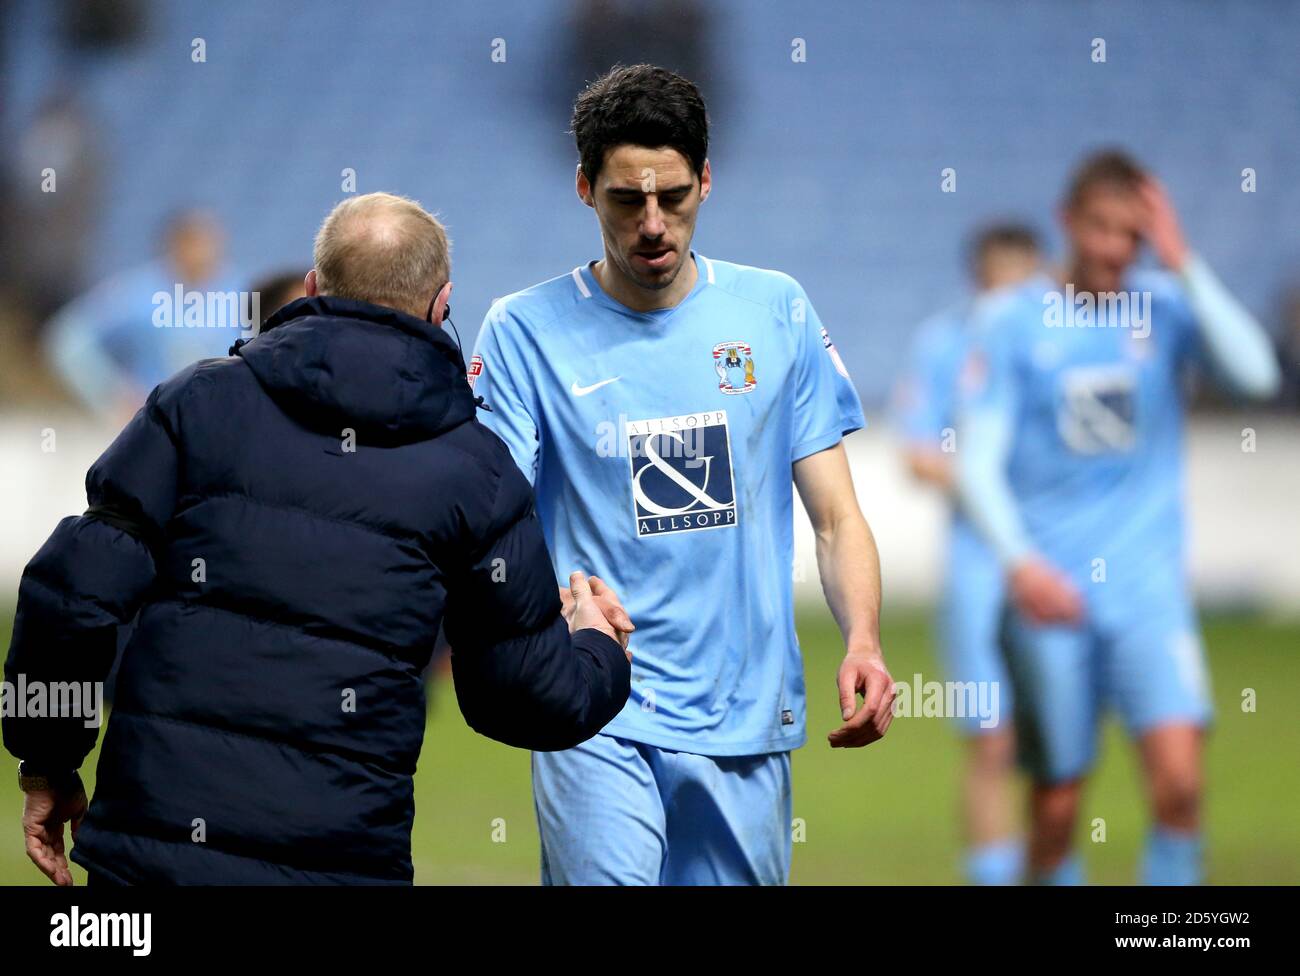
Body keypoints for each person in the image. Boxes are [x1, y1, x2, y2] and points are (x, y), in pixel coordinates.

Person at [4, 192, 632, 886]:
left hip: (151, 860)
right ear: (442, 305)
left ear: (310, 286)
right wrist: (596, 645)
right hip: (339, 866)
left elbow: (72, 595)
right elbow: (524, 696)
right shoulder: (477, 470)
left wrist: (48, 758)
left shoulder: (195, 404)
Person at [471, 64, 894, 886]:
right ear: (586, 189)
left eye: (675, 196)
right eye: (628, 200)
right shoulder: (523, 331)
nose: (654, 224)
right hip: (594, 703)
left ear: (706, 179)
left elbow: (837, 518)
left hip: (746, 713)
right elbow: (493, 516)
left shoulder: (777, 313)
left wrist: (866, 640)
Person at [957, 151, 1281, 884]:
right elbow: (977, 461)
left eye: (1130, 235)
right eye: (1100, 228)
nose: (1113, 249)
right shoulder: (1011, 321)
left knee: (1181, 786)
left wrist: (1185, 262)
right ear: (1067, 222)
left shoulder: (1166, 308)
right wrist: (1019, 562)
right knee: (1059, 806)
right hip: (1051, 599)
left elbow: (1258, 374)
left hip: (1147, 595)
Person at [892, 223, 1042, 885]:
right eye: (999, 281)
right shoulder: (942, 343)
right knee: (992, 740)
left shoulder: (1064, 339)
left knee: (1061, 747)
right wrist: (985, 477)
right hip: (980, 567)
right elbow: (919, 455)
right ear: (977, 279)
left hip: (1061, 559)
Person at [44, 210, 242, 424]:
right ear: (174, 245)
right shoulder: (136, 294)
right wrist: (111, 393)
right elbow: (68, 340)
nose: (202, 252)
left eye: (209, 243)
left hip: (218, 429)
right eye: (194, 242)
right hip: (152, 429)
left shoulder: (241, 295)